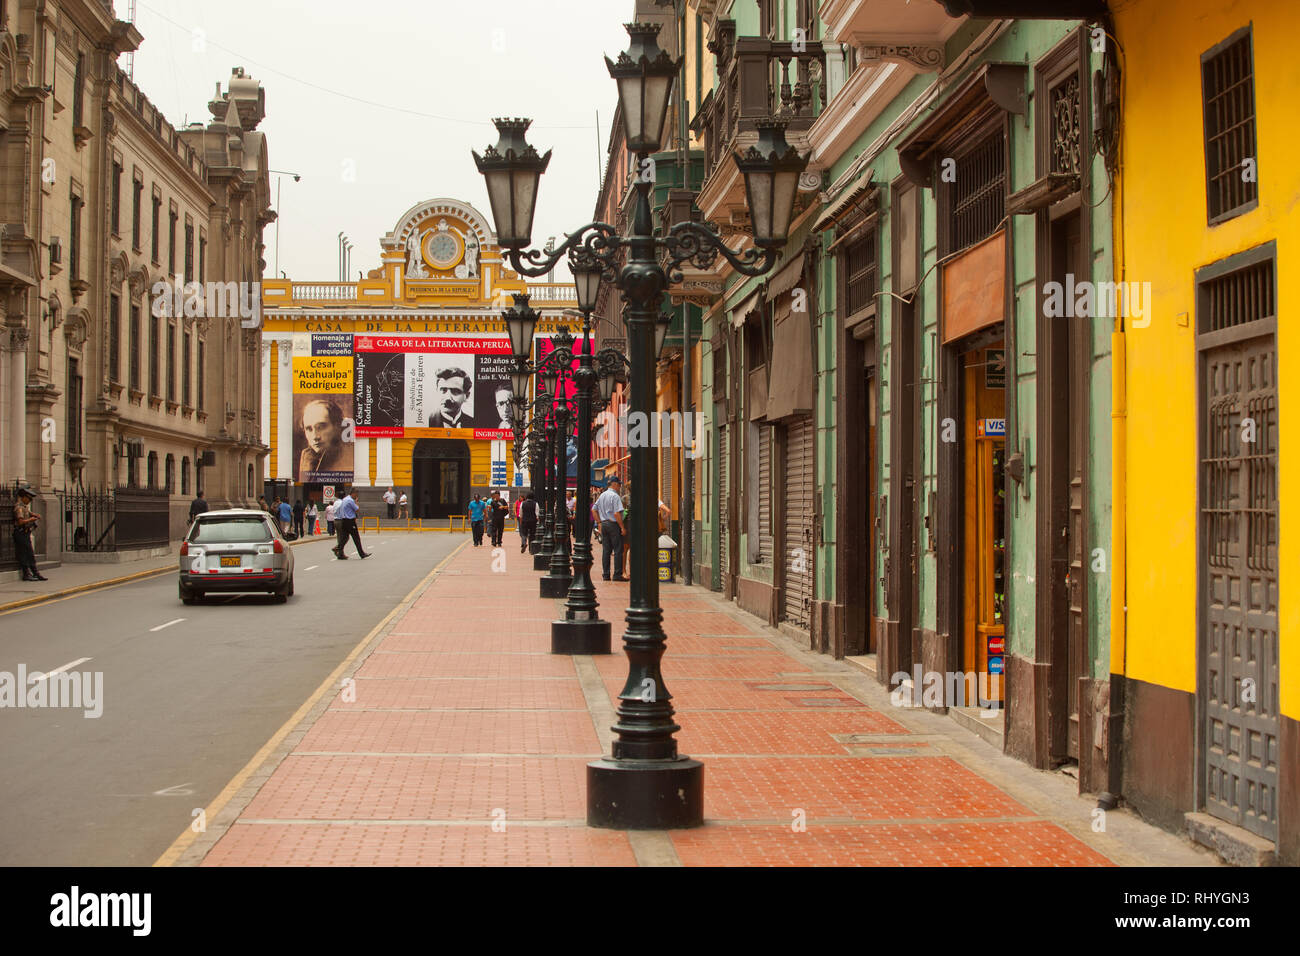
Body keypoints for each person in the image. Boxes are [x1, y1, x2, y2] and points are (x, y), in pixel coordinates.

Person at [298, 398, 353, 476]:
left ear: (336, 426)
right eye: (309, 429)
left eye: (321, 427)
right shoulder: (307, 457)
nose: (315, 436)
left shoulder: (349, 456)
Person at [12, 485, 46, 582]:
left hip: (25, 533)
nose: (30, 501)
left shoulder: (24, 507)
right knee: (24, 554)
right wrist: (30, 520)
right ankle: (26, 574)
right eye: (29, 499)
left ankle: (35, 573)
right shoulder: (19, 507)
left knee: (30, 554)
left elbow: (28, 512)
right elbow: (20, 522)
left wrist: (34, 515)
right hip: (20, 533)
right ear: (24, 497)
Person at [594, 476, 626, 581]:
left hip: (604, 524)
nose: (620, 487)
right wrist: (622, 527)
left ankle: (606, 575)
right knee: (618, 550)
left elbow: (593, 510)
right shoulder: (615, 496)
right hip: (613, 524)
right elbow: (616, 514)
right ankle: (617, 574)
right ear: (614, 484)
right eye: (619, 485)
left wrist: (599, 522)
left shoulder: (602, 495)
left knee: (606, 551)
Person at [332, 487, 369, 559]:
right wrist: (356, 502)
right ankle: (361, 554)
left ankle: (338, 548)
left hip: (344, 520)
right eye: (356, 495)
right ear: (353, 493)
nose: (356, 496)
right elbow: (357, 509)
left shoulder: (345, 499)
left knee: (345, 537)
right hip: (350, 521)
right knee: (356, 538)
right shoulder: (350, 500)